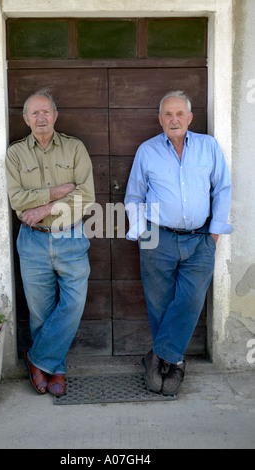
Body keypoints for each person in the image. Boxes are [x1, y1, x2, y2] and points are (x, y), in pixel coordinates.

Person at [124, 90, 232, 396]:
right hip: (157, 236)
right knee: (159, 304)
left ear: (190, 118)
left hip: (201, 239)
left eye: (179, 114)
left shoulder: (208, 146)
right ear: (160, 119)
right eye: (168, 114)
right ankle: (175, 362)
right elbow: (134, 195)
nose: (174, 120)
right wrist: (141, 232)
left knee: (189, 300)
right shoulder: (147, 151)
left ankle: (160, 357)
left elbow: (222, 187)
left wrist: (215, 231)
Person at [5, 89, 95, 396]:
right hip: (33, 242)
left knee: (73, 303)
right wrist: (57, 193)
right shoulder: (16, 154)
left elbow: (86, 197)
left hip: (70, 236)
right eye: (35, 113)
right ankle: (55, 370)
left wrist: (44, 208)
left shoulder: (74, 148)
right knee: (40, 311)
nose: (41, 117)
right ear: (26, 119)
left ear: (55, 116)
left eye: (46, 112)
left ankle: (38, 358)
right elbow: (17, 199)